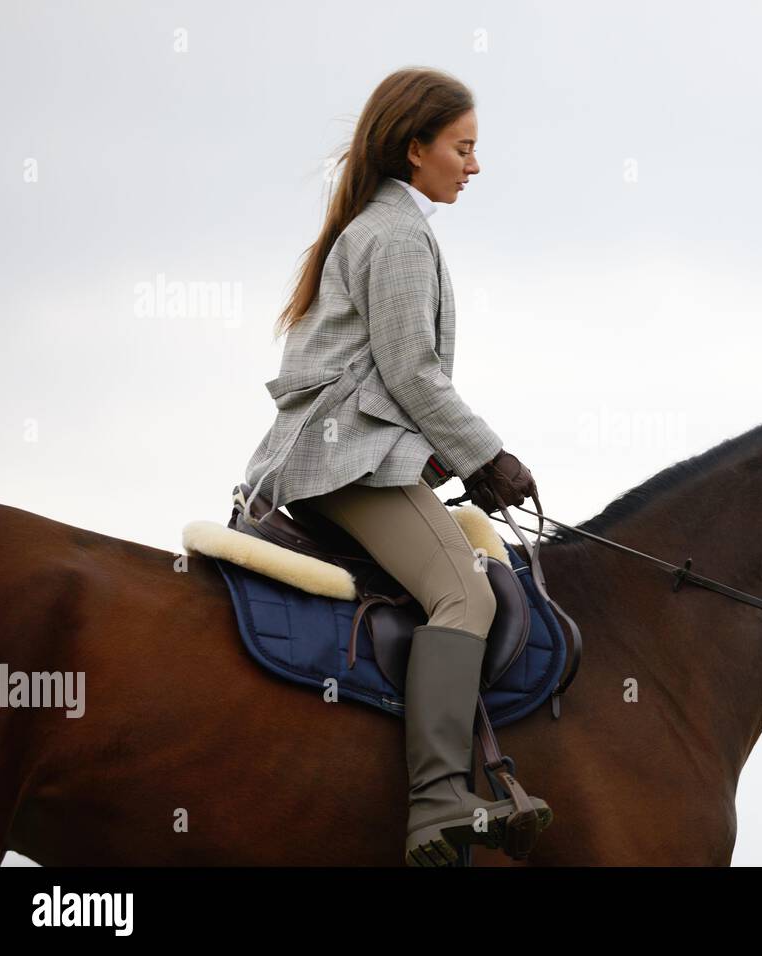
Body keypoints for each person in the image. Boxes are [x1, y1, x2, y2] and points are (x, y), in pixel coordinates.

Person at [241, 66, 552, 866]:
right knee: (464, 594)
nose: (474, 166)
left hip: (349, 452)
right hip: (347, 464)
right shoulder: (399, 235)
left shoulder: (386, 227)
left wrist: (455, 456)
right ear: (416, 149)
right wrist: (489, 456)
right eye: (464, 148)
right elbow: (413, 371)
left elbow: (397, 378)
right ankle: (437, 800)